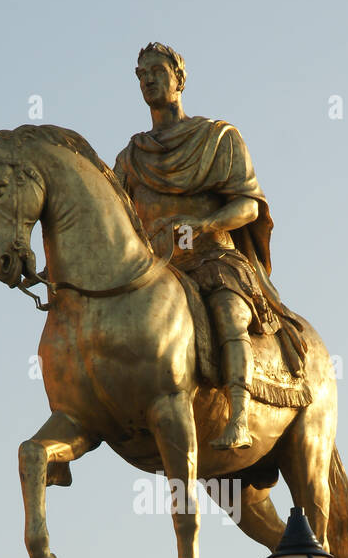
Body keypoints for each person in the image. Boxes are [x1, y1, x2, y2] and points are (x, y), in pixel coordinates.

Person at [114, 42, 301, 450]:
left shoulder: (217, 137)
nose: (148, 80)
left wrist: (204, 223)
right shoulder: (130, 158)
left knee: (229, 313)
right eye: (141, 74)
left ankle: (238, 417)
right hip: (154, 268)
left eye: (157, 72)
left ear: (179, 80)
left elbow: (249, 205)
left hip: (212, 255)